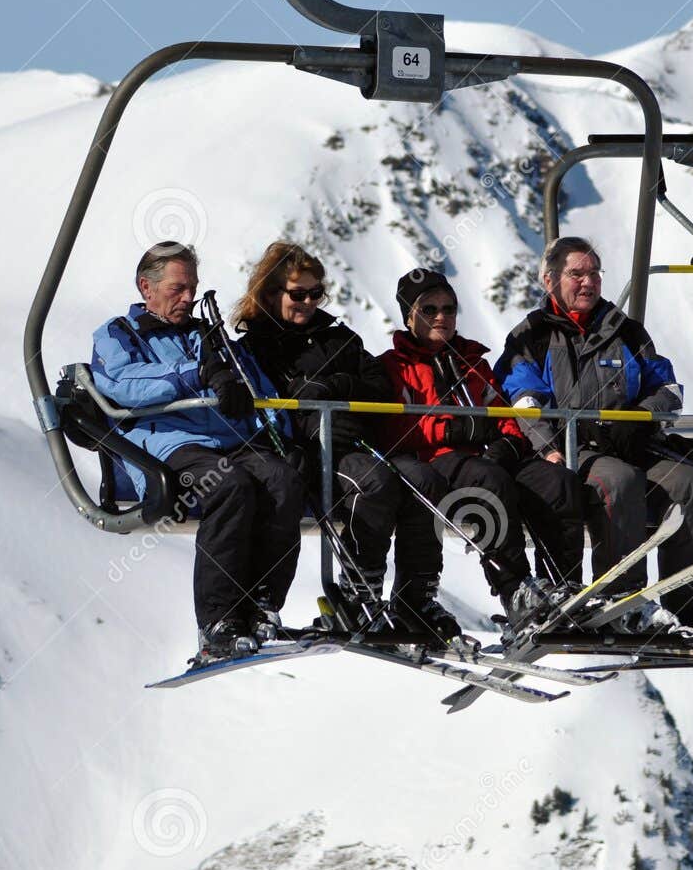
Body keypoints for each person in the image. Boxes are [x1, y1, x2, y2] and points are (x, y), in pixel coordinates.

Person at [495, 236, 693, 644]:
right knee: (619, 482)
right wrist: (549, 446)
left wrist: (641, 417)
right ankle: (623, 600)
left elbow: (668, 388)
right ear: (550, 280)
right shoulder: (532, 337)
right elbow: (524, 399)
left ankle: (690, 605)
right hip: (575, 450)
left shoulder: (626, 332)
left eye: (594, 273)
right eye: (576, 274)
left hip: (633, 445)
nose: (587, 282)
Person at [90, 241, 302, 664]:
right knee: (229, 487)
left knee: (283, 479)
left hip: (232, 441)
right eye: (177, 288)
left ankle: (262, 606)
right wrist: (197, 373)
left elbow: (255, 383)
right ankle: (218, 621)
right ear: (145, 287)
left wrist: (277, 430)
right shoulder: (118, 334)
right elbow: (122, 382)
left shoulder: (209, 334)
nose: (188, 298)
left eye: (193, 289)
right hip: (167, 447)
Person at [232, 242, 453, 642]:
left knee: (425, 479)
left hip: (354, 441)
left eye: (315, 293)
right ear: (271, 292)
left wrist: (334, 390)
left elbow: (380, 387)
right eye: (297, 294)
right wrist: (310, 420)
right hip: (308, 453)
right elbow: (259, 410)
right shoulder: (255, 348)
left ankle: (415, 597)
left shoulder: (338, 338)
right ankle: (357, 593)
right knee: (372, 483)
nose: (308, 303)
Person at [380, 269, 586, 632]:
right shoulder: (395, 367)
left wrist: (508, 441)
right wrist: (451, 428)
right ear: (409, 316)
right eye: (429, 309)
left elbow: (503, 411)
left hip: (486, 455)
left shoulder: (473, 362)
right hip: (436, 460)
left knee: (558, 482)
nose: (441, 317)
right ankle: (515, 590)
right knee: (489, 481)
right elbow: (398, 426)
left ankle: (561, 584)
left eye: (449, 308)